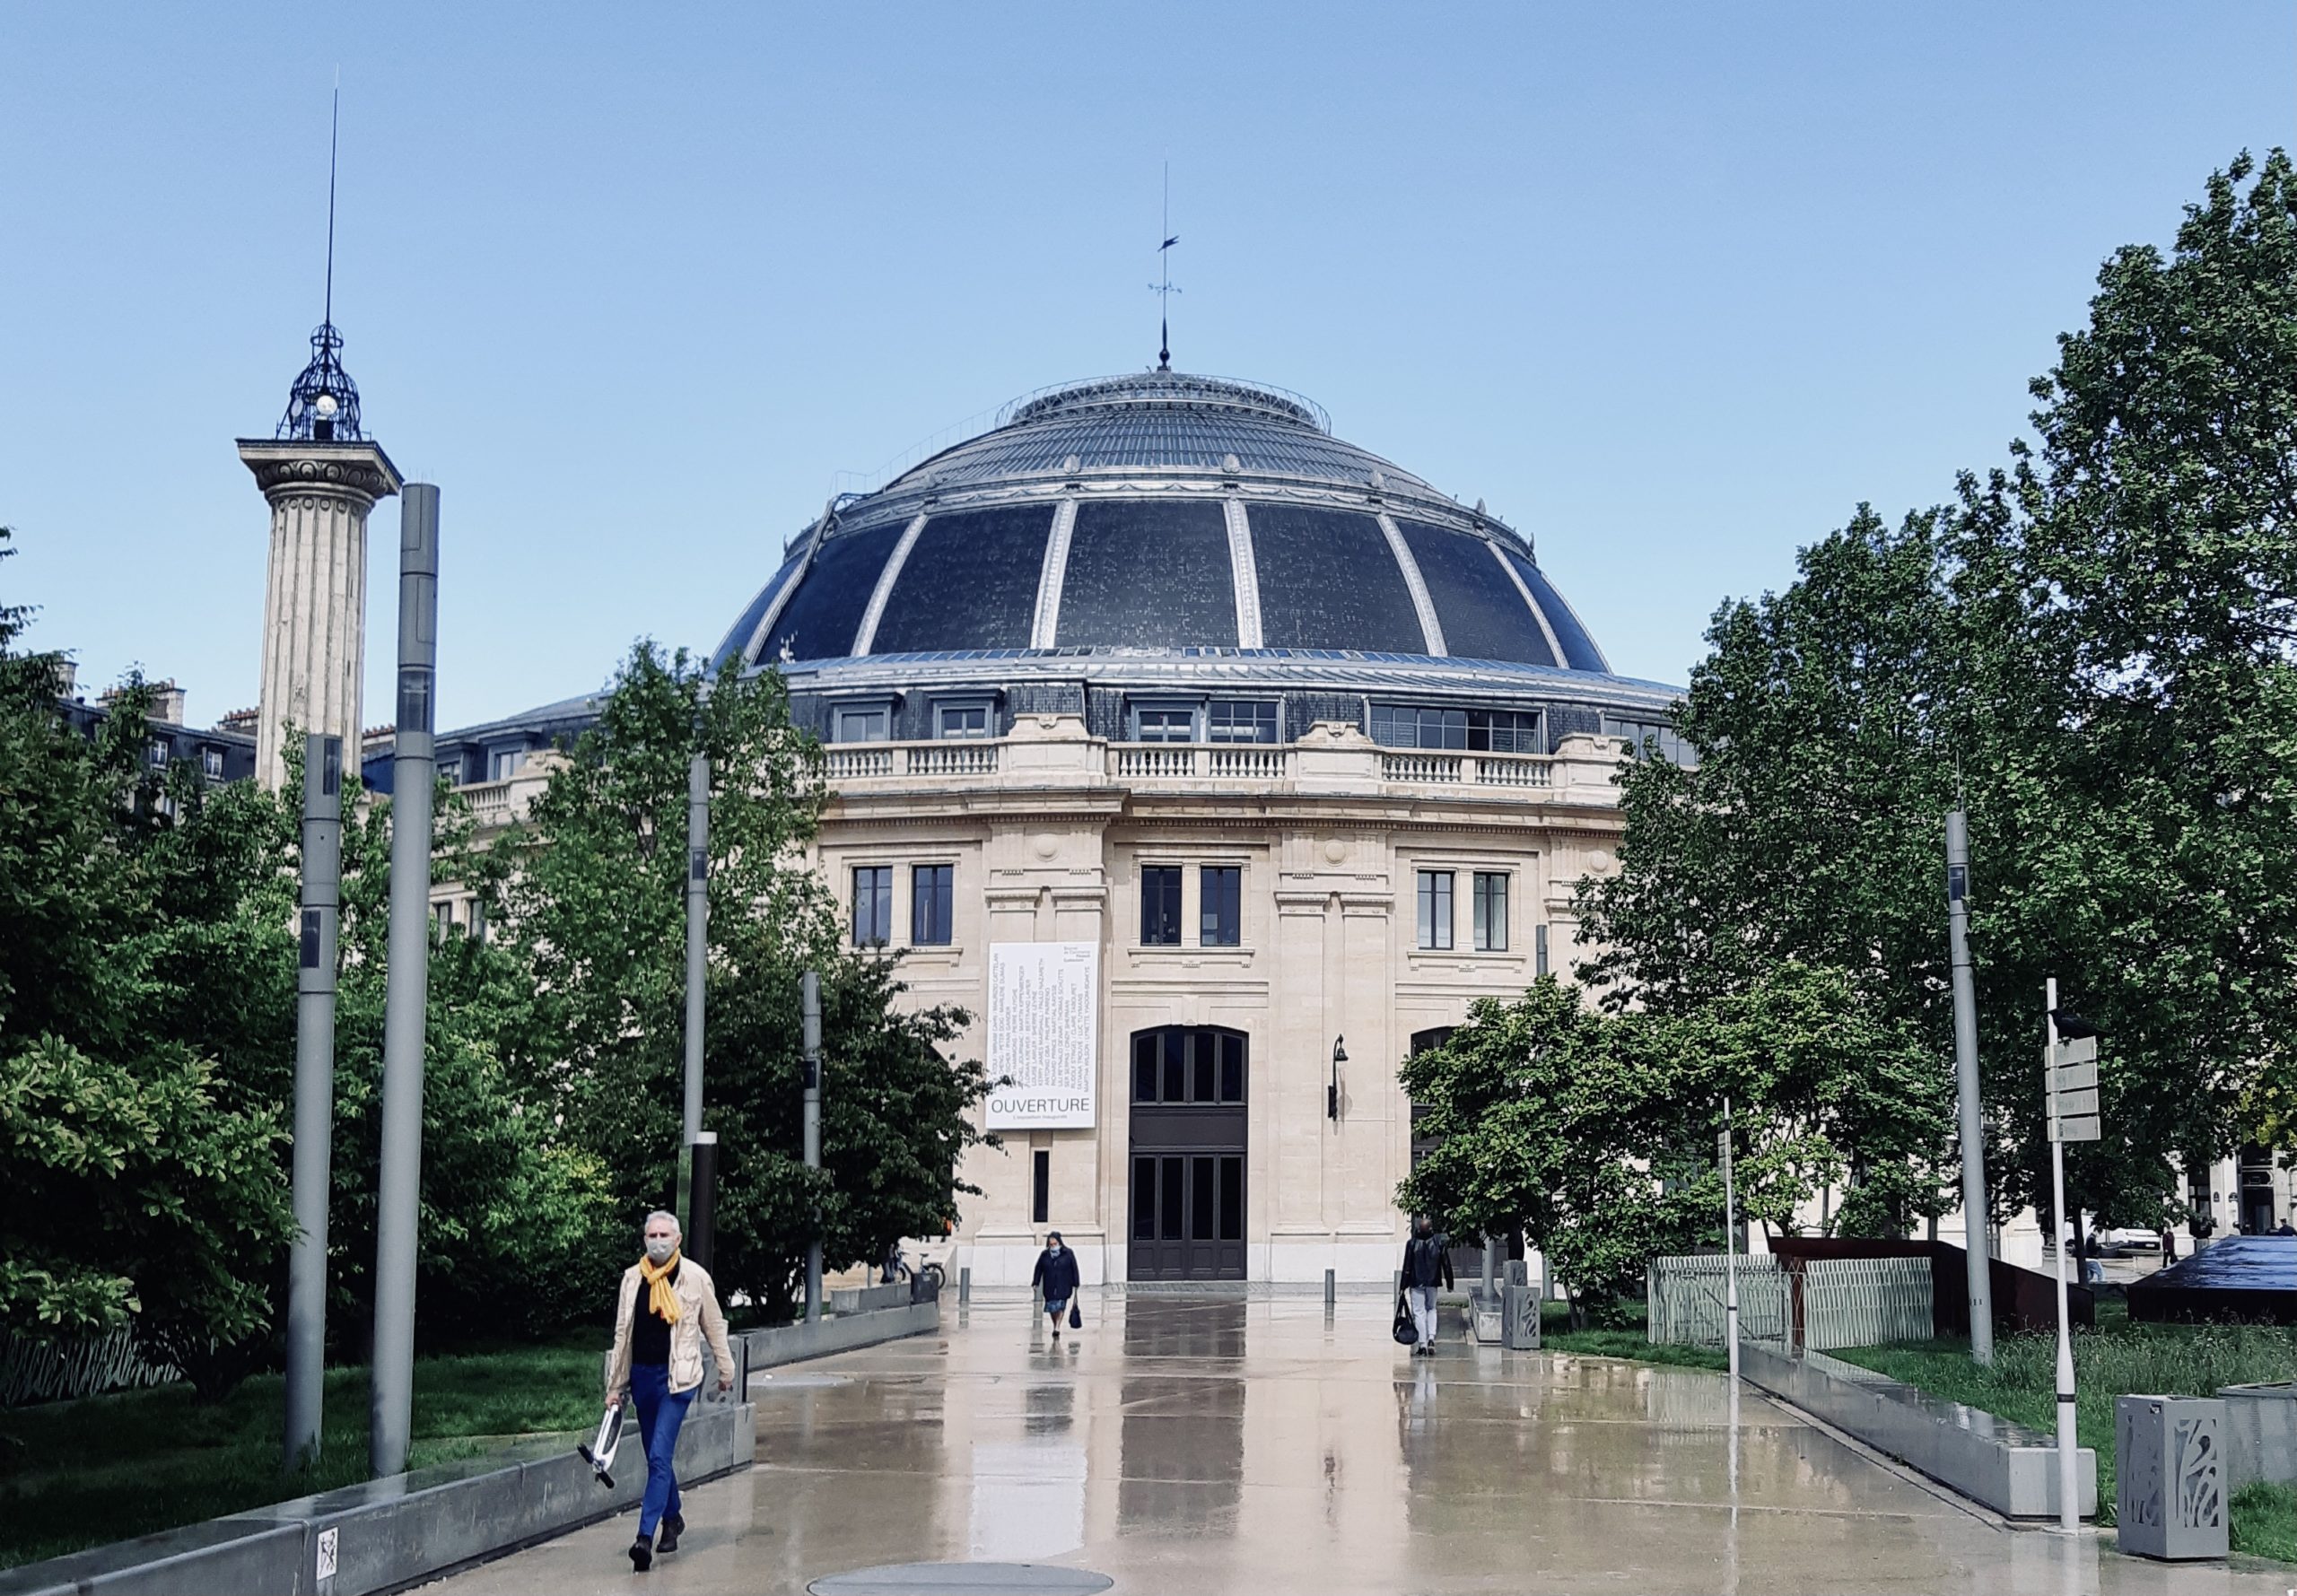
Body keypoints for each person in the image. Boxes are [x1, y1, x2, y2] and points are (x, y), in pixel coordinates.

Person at [605, 1210, 735, 1573]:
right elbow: (622, 1336)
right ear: (644, 1239)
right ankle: (673, 1517)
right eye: (652, 1234)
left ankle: (644, 1537)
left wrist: (726, 1370)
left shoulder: (694, 1278)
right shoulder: (633, 1279)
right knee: (655, 1457)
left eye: (665, 1234)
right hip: (642, 1377)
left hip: (678, 1380)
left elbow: (714, 1325)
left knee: (660, 1454)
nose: (657, 1240)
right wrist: (615, 1386)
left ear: (677, 1240)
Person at [1400, 1214, 1454, 1356]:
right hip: (1433, 1282)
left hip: (1416, 1283)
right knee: (1432, 1309)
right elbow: (1446, 1264)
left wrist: (1402, 1286)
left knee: (1418, 1312)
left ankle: (1422, 1344)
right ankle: (1431, 1338)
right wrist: (1450, 1283)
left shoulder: (1411, 1244)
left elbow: (1407, 1267)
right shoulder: (1438, 1242)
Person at [1031, 1230, 1080, 1341]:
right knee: (1052, 1308)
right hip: (1050, 1285)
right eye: (1051, 1244)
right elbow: (1038, 1268)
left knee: (1061, 1305)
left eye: (1055, 1244)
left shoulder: (1068, 1253)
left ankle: (1057, 1326)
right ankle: (1055, 1324)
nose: (1053, 1246)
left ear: (1059, 1243)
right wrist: (1036, 1282)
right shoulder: (1044, 1255)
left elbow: (1074, 1268)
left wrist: (1076, 1282)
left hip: (1064, 1284)